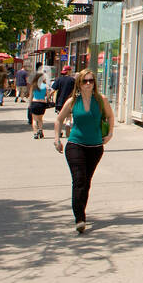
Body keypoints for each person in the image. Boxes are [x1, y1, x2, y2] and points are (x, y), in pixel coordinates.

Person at [53, 68, 114, 234]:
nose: (88, 84)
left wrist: (110, 134)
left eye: (91, 81)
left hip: (95, 147)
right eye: (85, 81)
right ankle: (79, 218)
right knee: (79, 180)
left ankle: (81, 210)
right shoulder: (72, 102)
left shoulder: (101, 100)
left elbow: (110, 116)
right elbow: (58, 120)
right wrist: (57, 140)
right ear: (79, 83)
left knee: (86, 183)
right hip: (75, 144)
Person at [27, 71, 50, 139]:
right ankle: (40, 130)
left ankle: (35, 133)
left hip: (34, 102)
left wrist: (29, 104)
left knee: (34, 119)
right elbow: (47, 96)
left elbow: (31, 96)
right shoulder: (45, 85)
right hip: (42, 103)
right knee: (40, 119)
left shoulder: (33, 85)